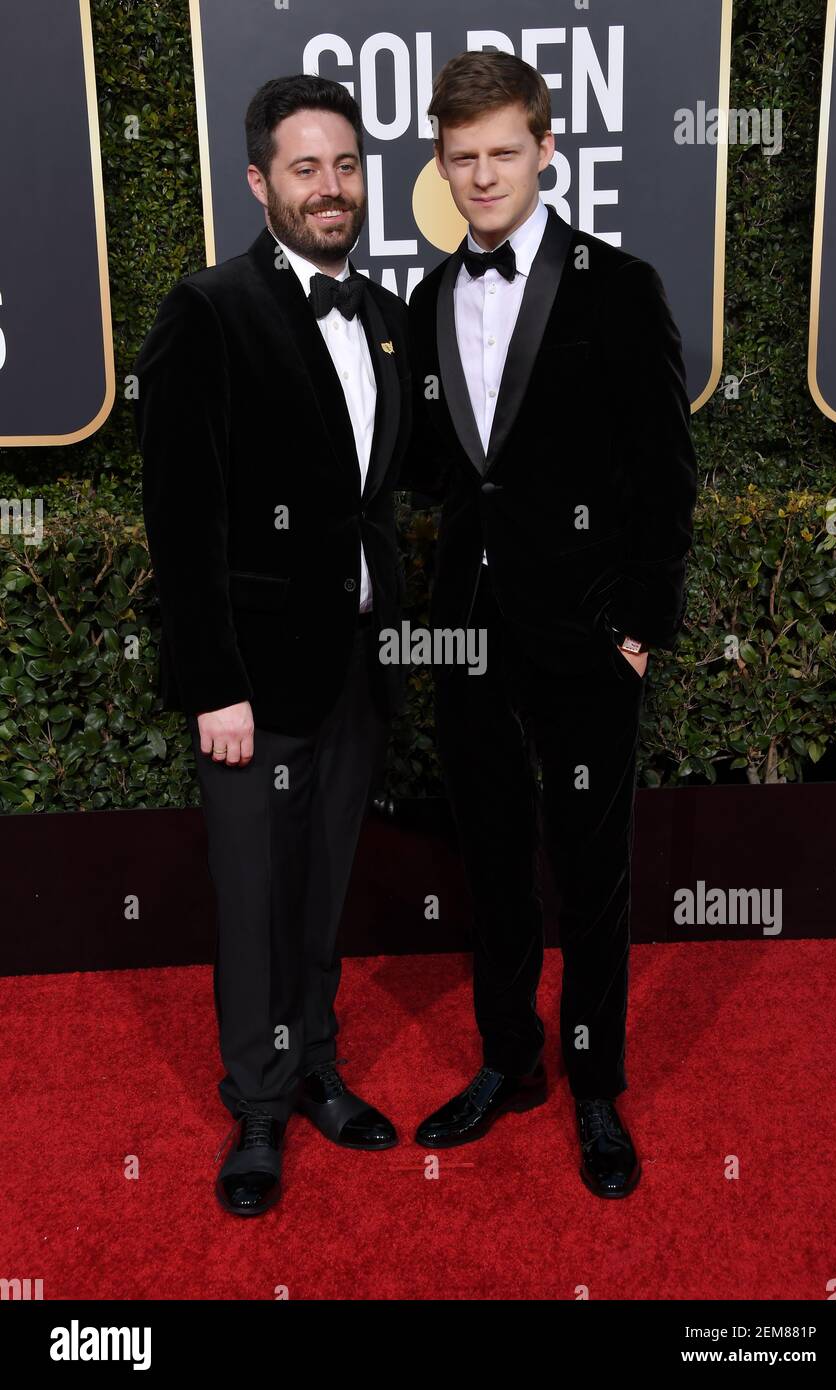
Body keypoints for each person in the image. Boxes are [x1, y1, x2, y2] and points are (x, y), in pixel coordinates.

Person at [405, 51, 697, 1198]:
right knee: (490, 864)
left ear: (544, 149)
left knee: (591, 873)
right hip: (465, 631)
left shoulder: (618, 285)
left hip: (585, 634)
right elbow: (440, 472)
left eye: (502, 153)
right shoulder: (430, 298)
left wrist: (638, 623)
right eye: (461, 157)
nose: (482, 175)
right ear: (442, 164)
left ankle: (595, 1089)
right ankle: (508, 1064)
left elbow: (663, 472)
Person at [135, 74, 412, 1216]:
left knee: (320, 884)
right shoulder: (209, 309)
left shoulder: (389, 317)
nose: (330, 188)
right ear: (258, 182)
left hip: (355, 663)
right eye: (304, 168)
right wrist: (213, 683)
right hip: (249, 678)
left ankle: (314, 1070)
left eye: (344, 165)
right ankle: (255, 1107)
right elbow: (179, 515)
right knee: (252, 894)